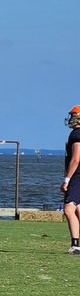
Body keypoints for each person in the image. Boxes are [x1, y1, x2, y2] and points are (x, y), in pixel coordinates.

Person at [62, 105, 80, 253]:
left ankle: (75, 244)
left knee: (69, 208)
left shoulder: (76, 134)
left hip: (77, 176)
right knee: (79, 208)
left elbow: (76, 159)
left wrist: (67, 179)